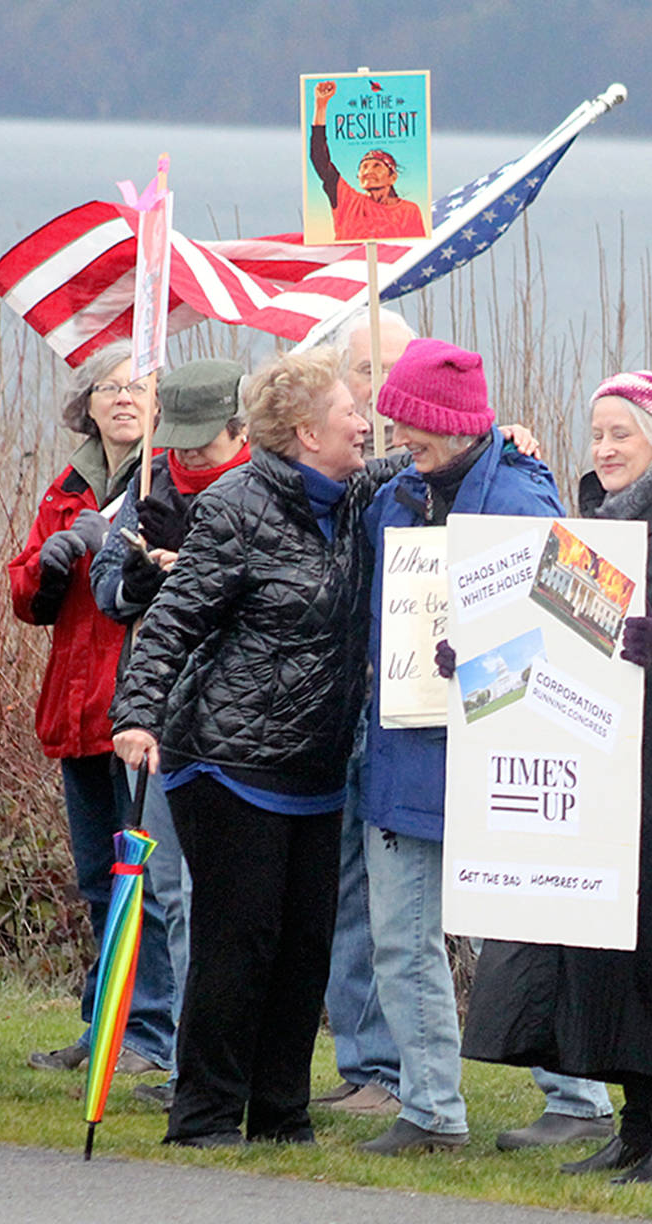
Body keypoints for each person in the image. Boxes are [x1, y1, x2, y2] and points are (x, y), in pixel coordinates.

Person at [462, 368, 652, 1183]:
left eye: (619, 433)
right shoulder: (587, 531)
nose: (603, 448)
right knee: (613, 957)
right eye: (596, 434)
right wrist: (472, 665)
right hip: (601, 782)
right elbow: (549, 645)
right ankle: (636, 1125)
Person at [112, 348, 377, 1148]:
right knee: (240, 941)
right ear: (305, 432)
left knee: (304, 947)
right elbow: (172, 618)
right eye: (348, 414)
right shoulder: (236, 504)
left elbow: (429, 465)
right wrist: (138, 714)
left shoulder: (359, 495)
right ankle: (204, 1113)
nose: (365, 423)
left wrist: (499, 437)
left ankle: (281, 1115)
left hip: (315, 762)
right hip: (227, 759)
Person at [355, 338, 614, 1155]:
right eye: (395, 426)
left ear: (455, 424)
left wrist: (488, 664)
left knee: (529, 925)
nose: (400, 438)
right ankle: (431, 1110)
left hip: (498, 747)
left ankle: (577, 1096)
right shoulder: (392, 497)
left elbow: (585, 626)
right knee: (402, 937)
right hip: (405, 749)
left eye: (412, 426)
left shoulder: (525, 505)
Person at [91, 357, 252, 1111]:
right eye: (176, 441)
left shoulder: (262, 493)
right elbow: (105, 590)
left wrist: (195, 569)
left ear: (239, 430)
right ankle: (186, 1055)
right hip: (154, 714)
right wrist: (141, 582)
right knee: (165, 891)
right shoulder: (144, 486)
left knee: (207, 893)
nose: (187, 458)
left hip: (232, 727)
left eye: (203, 445)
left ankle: (216, 1060)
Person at [10, 342, 173, 1079]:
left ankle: (148, 1032)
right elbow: (23, 593)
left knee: (146, 875)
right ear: (88, 404)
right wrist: (52, 562)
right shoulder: (67, 484)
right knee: (99, 876)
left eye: (137, 386)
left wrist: (123, 548)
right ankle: (104, 1018)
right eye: (109, 388)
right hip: (78, 708)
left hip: (139, 707)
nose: (123, 399)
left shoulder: (169, 481)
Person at [309, 309, 413, 1120]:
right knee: (346, 900)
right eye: (362, 372)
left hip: (410, 717)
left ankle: (416, 1071)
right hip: (335, 708)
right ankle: (368, 1064)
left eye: (390, 370)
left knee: (403, 907)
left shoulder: (438, 471)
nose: (376, 389)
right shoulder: (325, 475)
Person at [309, 80, 428, 240]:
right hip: (352, 264)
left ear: (392, 177)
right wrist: (321, 106)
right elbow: (319, 158)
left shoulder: (409, 211)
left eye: (377, 166)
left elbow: (415, 250)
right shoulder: (348, 201)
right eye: (363, 167)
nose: (368, 171)